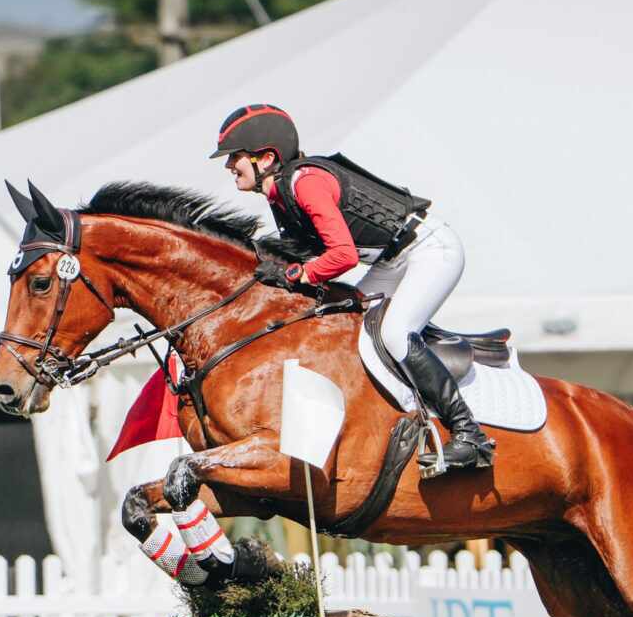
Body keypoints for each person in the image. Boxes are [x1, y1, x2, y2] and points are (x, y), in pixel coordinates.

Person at [209, 103, 494, 473]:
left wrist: (298, 275)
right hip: (391, 261)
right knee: (349, 323)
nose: (229, 166)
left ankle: (469, 435)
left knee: (393, 333)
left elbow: (341, 256)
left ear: (265, 157)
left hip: (429, 250)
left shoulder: (304, 183)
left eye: (235, 157)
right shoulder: (279, 194)